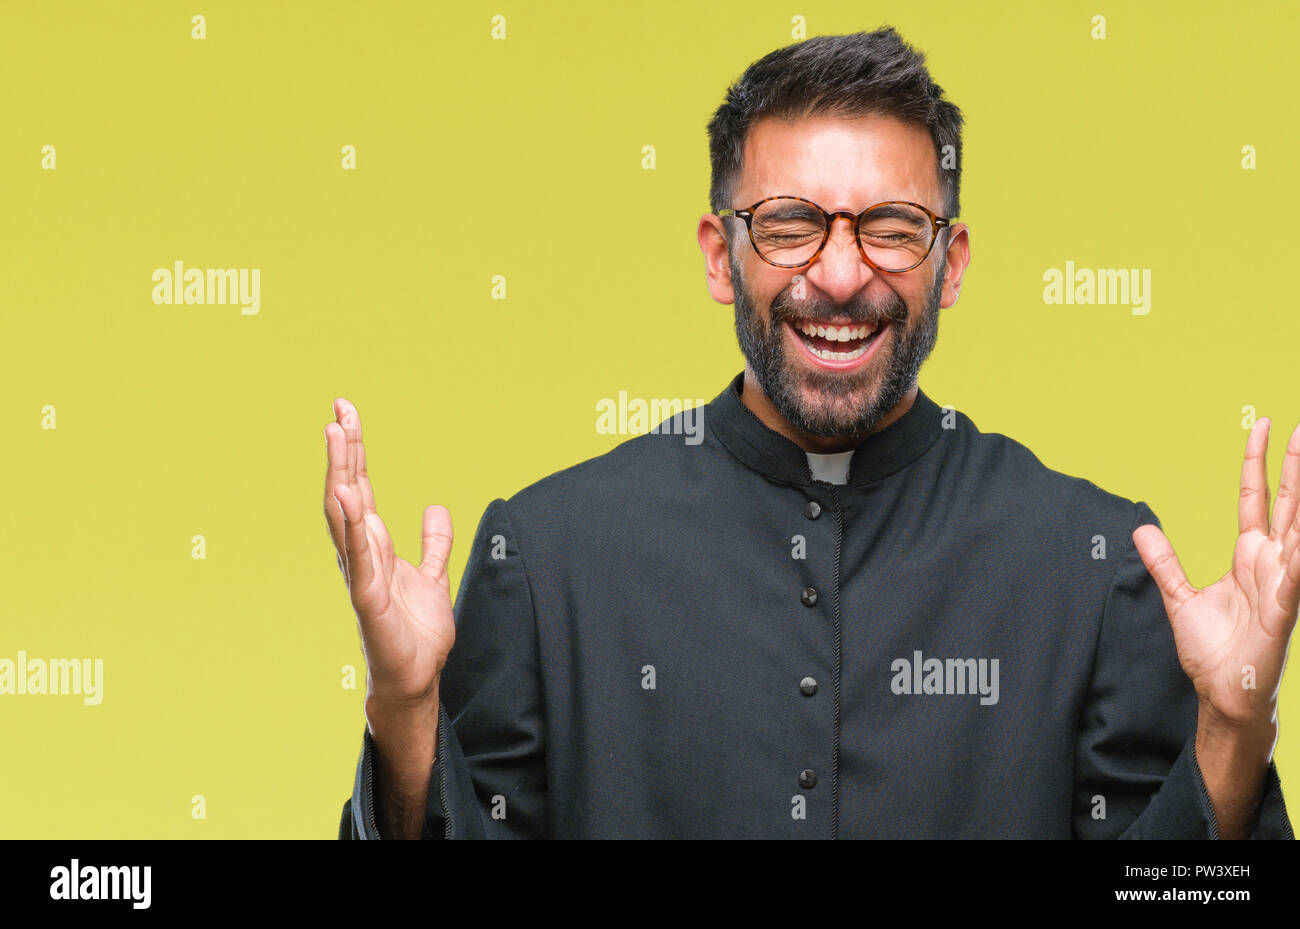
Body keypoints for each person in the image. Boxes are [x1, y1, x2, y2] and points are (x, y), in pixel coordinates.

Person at [326, 27, 1293, 839]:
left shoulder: (1095, 565)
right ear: (720, 255)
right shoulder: (544, 557)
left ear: (950, 265)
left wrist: (1233, 730)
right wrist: (406, 713)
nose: (838, 274)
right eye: (789, 223)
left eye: (892, 225)